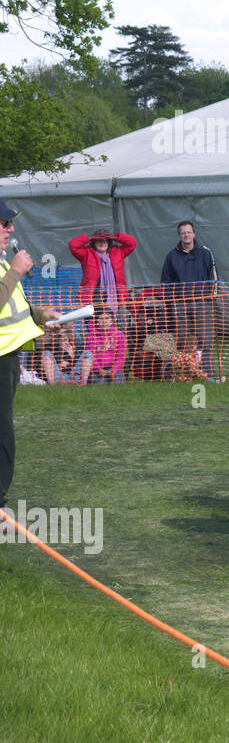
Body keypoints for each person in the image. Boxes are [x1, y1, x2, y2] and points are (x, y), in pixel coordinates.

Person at [0, 200, 58, 511]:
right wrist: (16, 272)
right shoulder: (9, 267)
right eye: (4, 223)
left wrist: (40, 315)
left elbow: (11, 307)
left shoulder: (2, 263)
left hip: (7, 358)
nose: (10, 229)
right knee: (2, 437)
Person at [160, 220, 219, 380]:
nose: (186, 235)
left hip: (202, 302)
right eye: (183, 233)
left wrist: (210, 298)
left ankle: (207, 374)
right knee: (184, 340)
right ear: (179, 235)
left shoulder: (206, 253)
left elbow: (213, 277)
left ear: (194, 234)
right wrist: (171, 301)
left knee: (205, 339)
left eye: (188, 232)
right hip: (179, 304)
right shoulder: (171, 256)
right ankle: (185, 373)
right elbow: (165, 281)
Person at [68, 227, 138, 311]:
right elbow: (73, 245)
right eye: (99, 240)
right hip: (93, 296)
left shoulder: (118, 252)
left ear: (109, 242)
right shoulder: (86, 253)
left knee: (111, 321)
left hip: (114, 294)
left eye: (105, 241)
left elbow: (132, 243)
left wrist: (115, 237)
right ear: (94, 242)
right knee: (92, 322)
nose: (102, 243)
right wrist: (90, 237)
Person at [78, 307, 127, 384]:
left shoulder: (119, 335)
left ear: (112, 320)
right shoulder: (91, 335)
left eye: (107, 318)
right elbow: (91, 356)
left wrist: (114, 370)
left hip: (113, 368)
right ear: (97, 321)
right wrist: (98, 370)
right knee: (99, 383)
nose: (104, 321)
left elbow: (121, 357)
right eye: (101, 319)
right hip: (97, 369)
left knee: (118, 382)